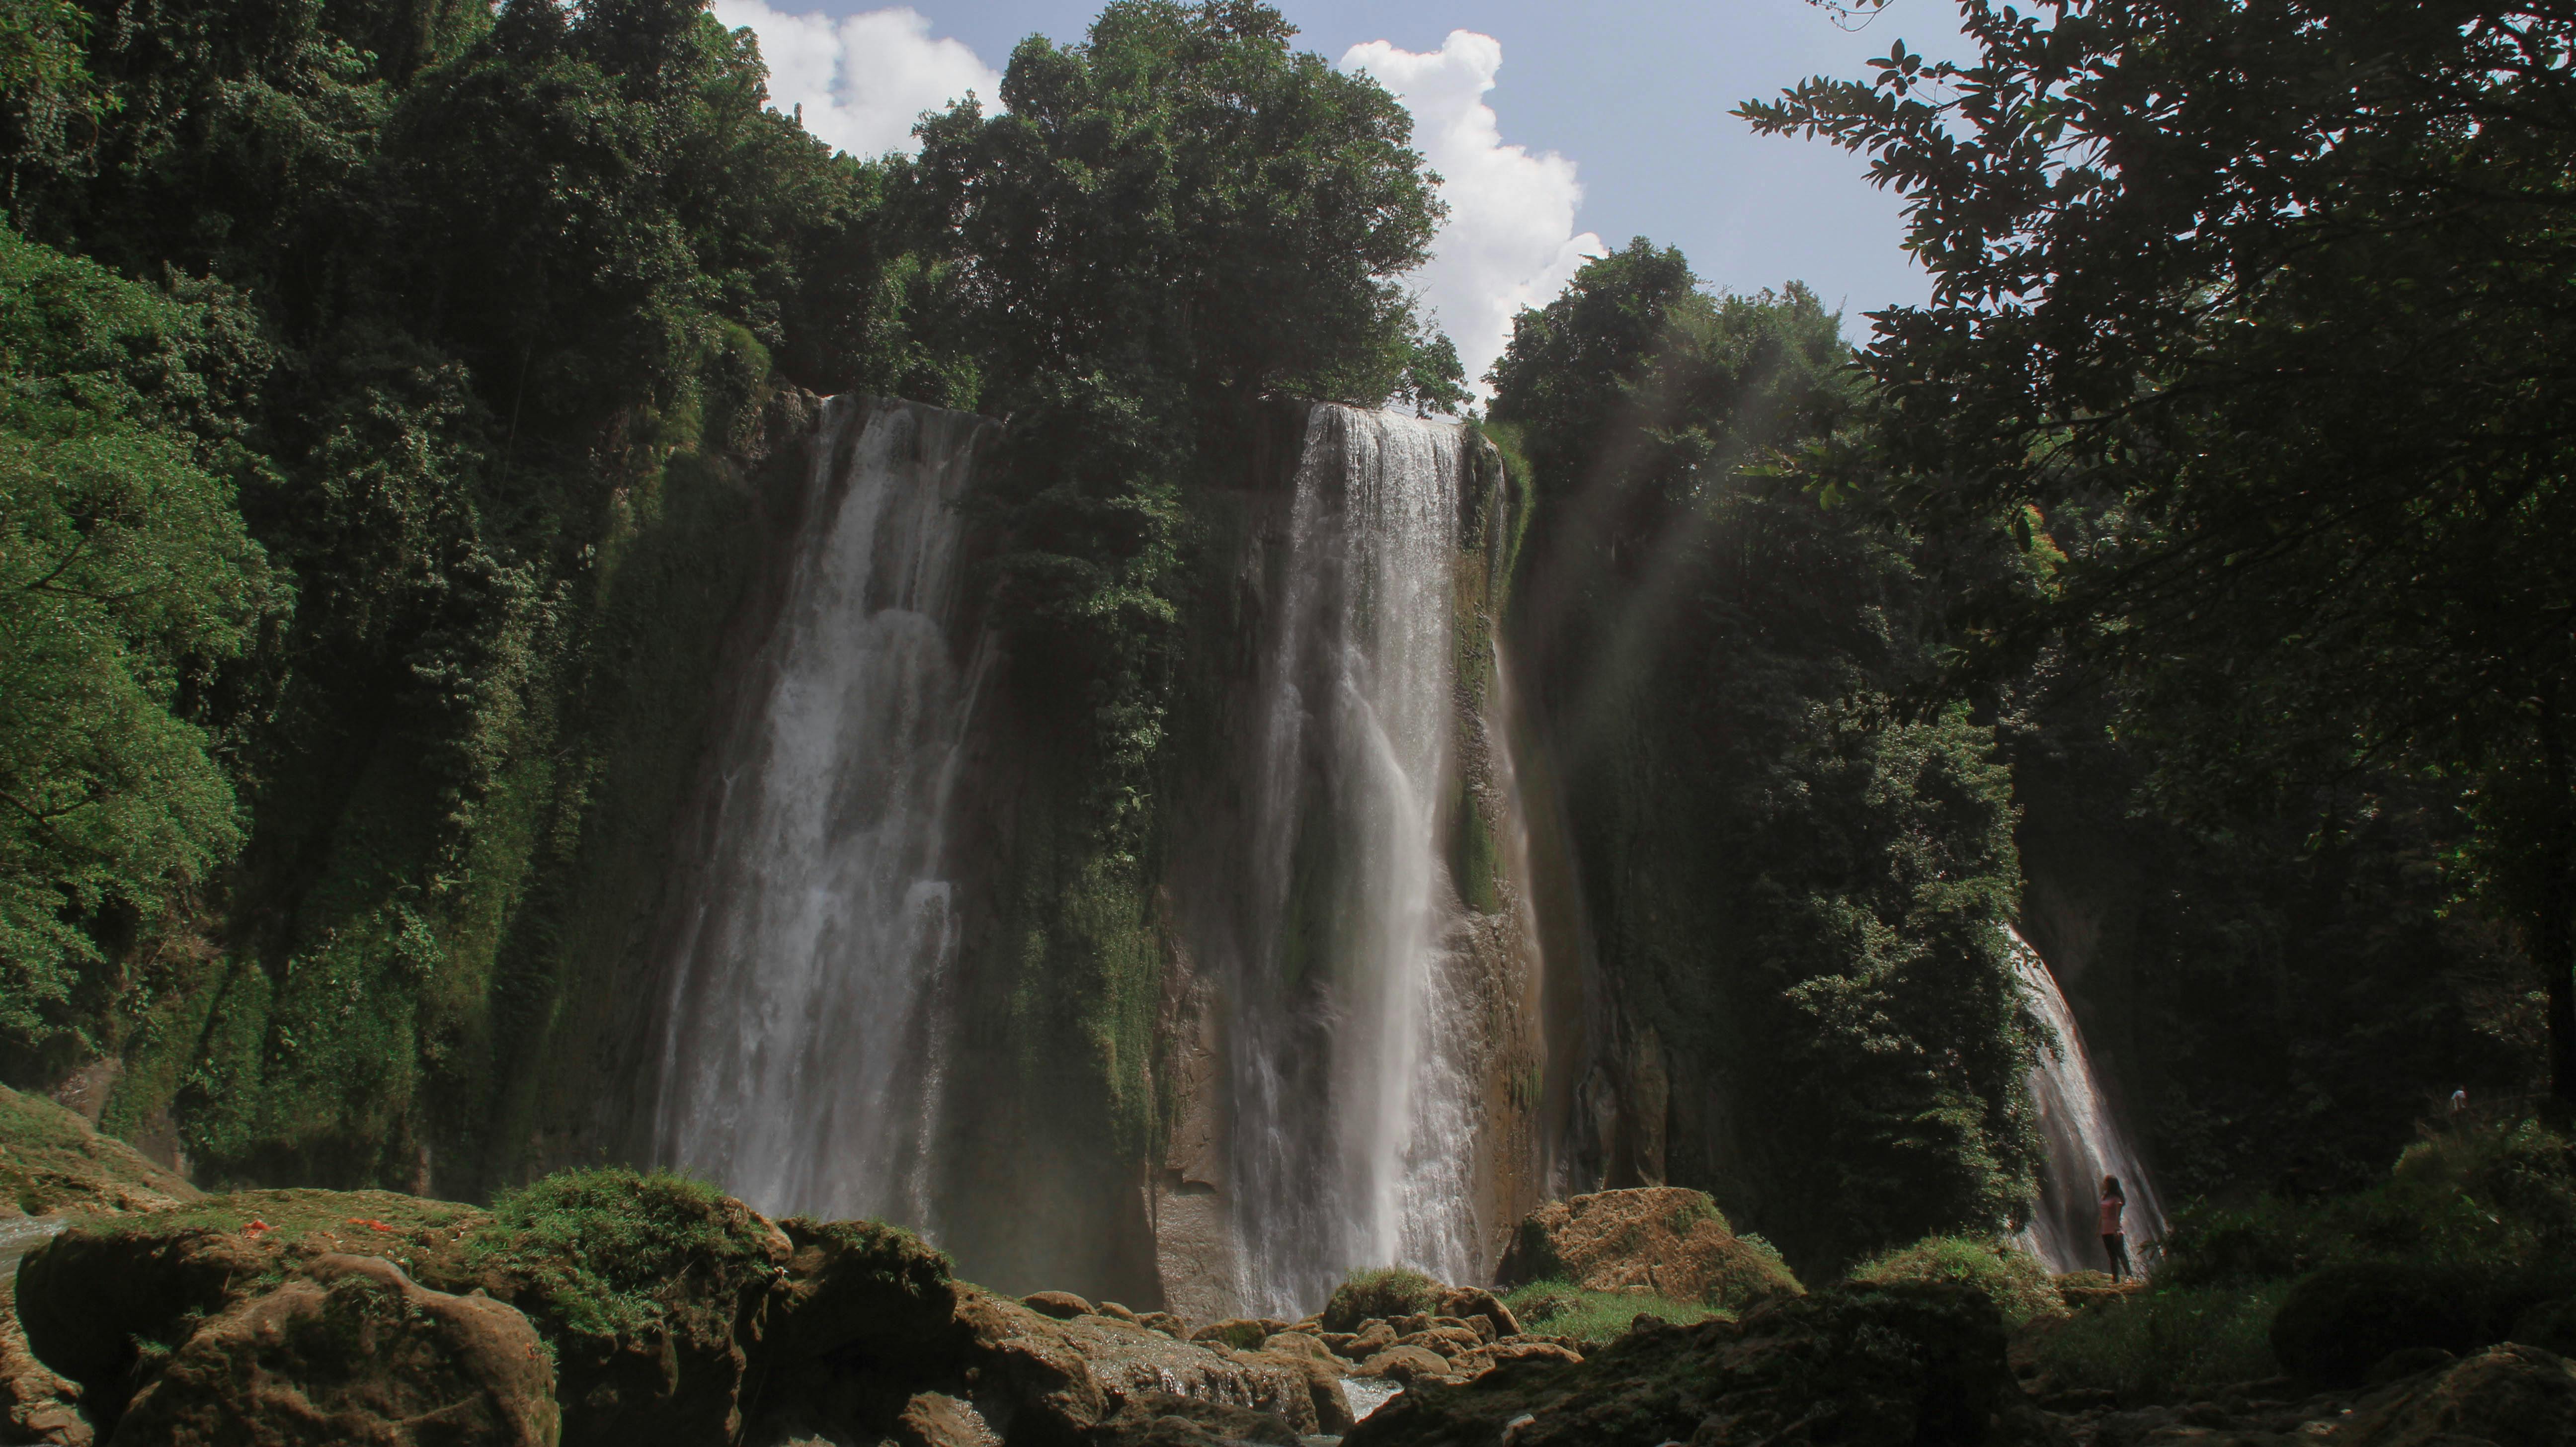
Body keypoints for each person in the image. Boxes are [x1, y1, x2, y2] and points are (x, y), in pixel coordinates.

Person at [2099, 1175, 2131, 1281]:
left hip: (2115, 1230)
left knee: (2120, 1253)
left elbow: (2118, 1215)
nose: (2104, 1184)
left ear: (2111, 1185)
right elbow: (2102, 1214)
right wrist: (2099, 1227)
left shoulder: (2117, 1199)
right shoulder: (2105, 1197)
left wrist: (2117, 1230)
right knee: (2112, 1255)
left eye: (2106, 1183)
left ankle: (2130, 1277)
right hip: (2106, 1230)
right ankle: (2115, 1279)